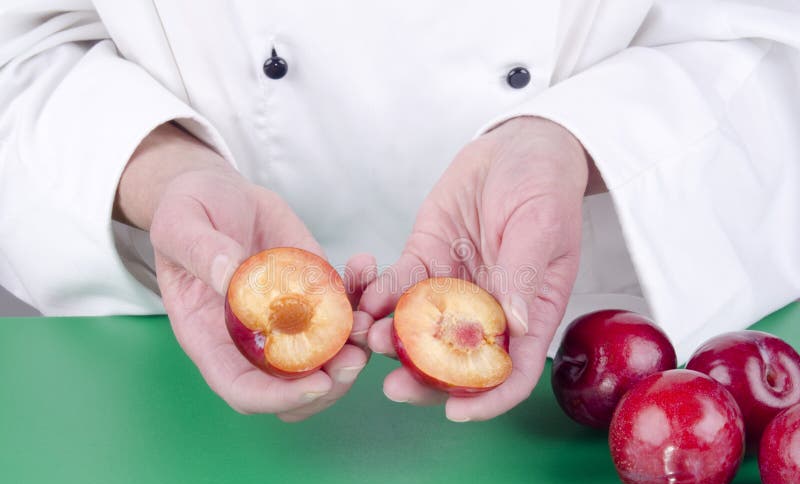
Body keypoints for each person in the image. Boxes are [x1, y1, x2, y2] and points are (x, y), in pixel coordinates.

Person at [1, 1, 798, 423]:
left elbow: (770, 42)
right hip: (160, 362)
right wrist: (160, 170)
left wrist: (574, 141)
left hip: (589, 341)